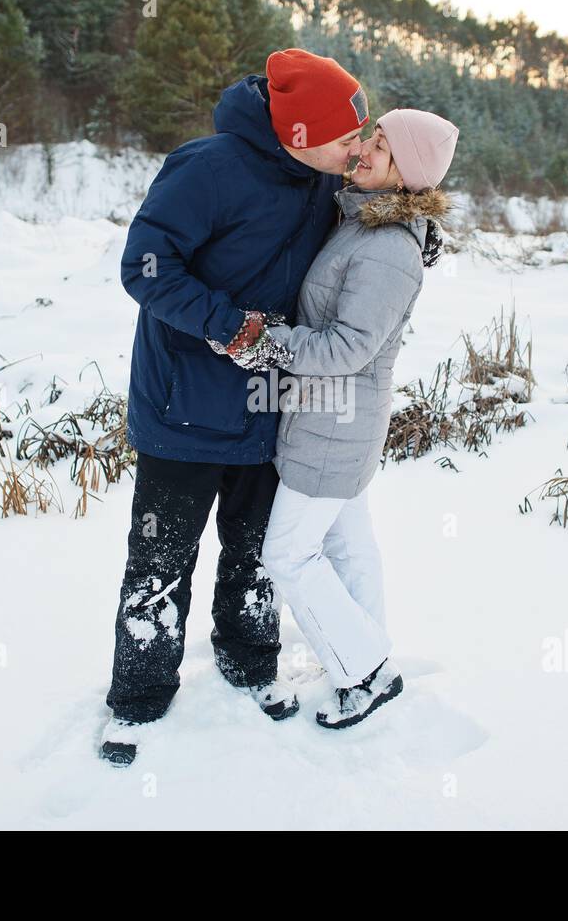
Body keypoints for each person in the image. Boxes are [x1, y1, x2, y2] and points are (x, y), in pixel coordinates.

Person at [100, 49, 370, 767]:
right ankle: (139, 697)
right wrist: (225, 324)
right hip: (182, 409)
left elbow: (374, 221)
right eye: (348, 137)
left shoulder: (319, 180)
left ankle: (250, 664)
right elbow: (145, 266)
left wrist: (413, 231)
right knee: (161, 561)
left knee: (252, 554)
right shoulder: (207, 168)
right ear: (304, 135)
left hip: (265, 407)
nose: (359, 148)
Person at [217, 109, 459, 729]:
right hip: (335, 419)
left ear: (409, 175)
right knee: (349, 545)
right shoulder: (361, 220)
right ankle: (363, 648)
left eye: (383, 146)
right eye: (371, 136)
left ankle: (367, 670)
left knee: (289, 556)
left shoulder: (387, 249)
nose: (366, 149)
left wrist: (267, 342)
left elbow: (348, 348)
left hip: (335, 423)